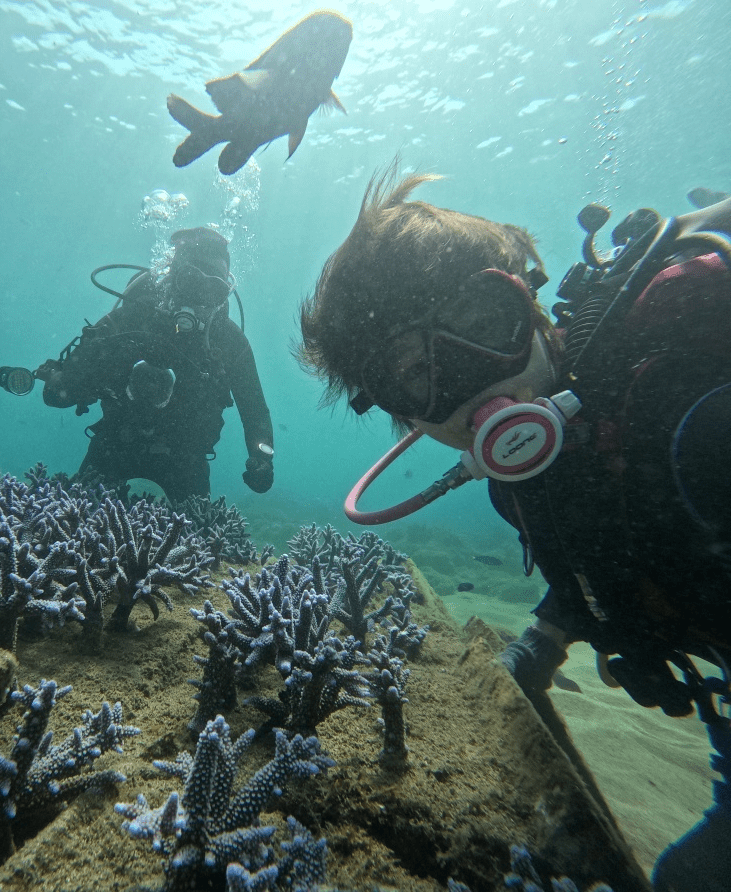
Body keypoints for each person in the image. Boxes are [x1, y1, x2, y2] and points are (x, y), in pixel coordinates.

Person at [296, 165, 730, 891]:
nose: (472, 381)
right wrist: (546, 638)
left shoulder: (694, 418)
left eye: (481, 323)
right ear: (399, 413)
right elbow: (608, 537)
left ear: (530, 304)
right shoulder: (532, 469)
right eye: (414, 369)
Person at [32, 227, 274, 504]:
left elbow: (254, 408)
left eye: (214, 291)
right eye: (192, 281)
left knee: (193, 543)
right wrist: (63, 382)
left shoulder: (229, 341)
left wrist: (262, 458)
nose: (200, 299)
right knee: (78, 530)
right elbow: (59, 395)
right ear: (173, 277)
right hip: (113, 445)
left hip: (186, 461)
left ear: (224, 295)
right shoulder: (130, 318)